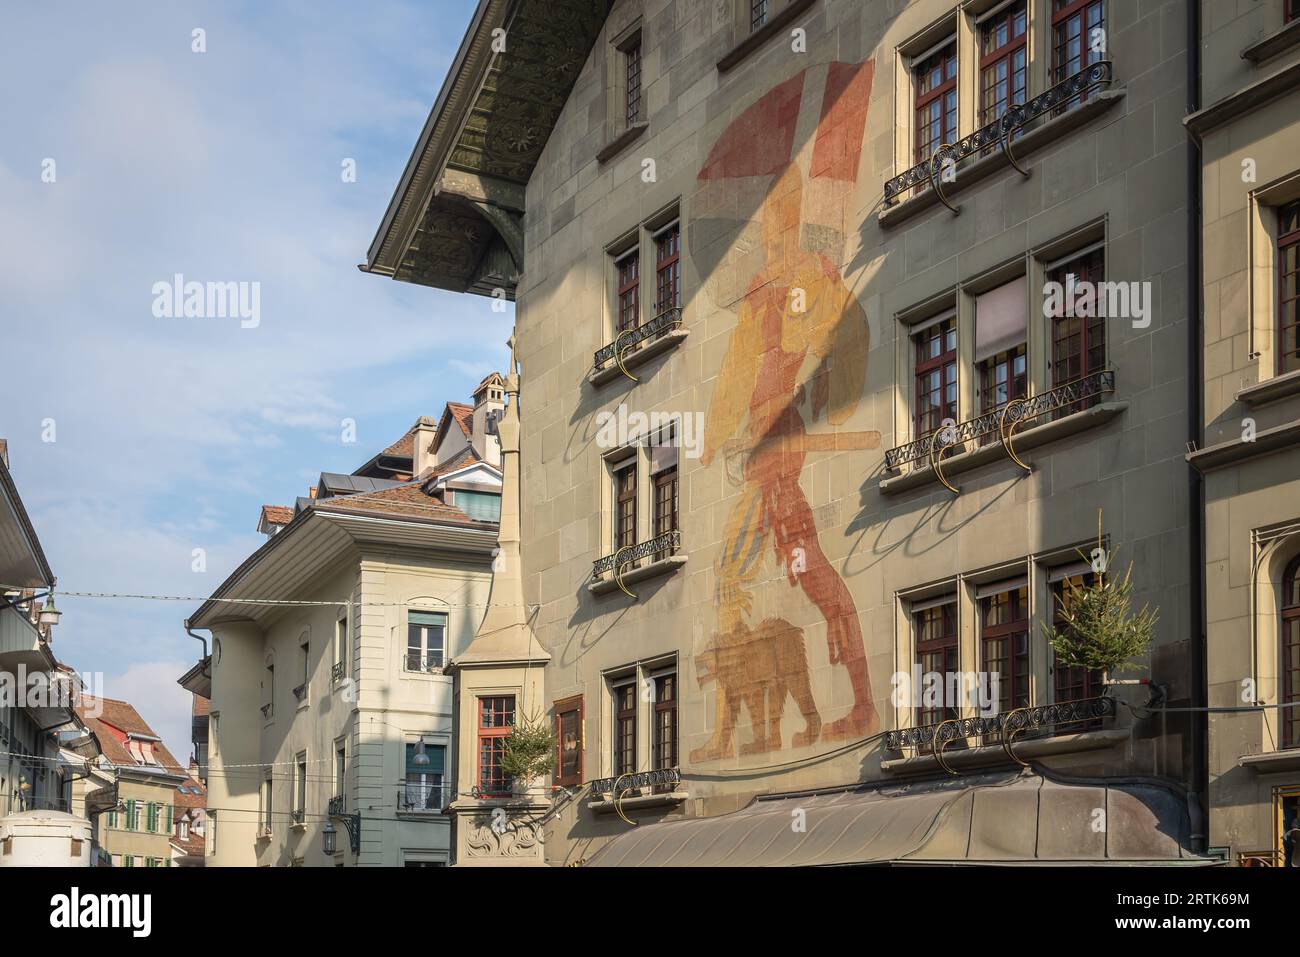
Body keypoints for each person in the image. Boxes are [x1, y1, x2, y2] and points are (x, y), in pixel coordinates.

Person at [701, 162, 878, 744]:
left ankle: (860, 705)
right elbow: (735, 374)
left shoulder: (808, 277)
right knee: (760, 573)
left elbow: (850, 332)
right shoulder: (762, 289)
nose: (767, 224)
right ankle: (758, 728)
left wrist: (832, 392)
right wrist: (718, 436)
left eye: (774, 211)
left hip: (780, 455)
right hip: (761, 456)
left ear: (789, 214)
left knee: (804, 570)